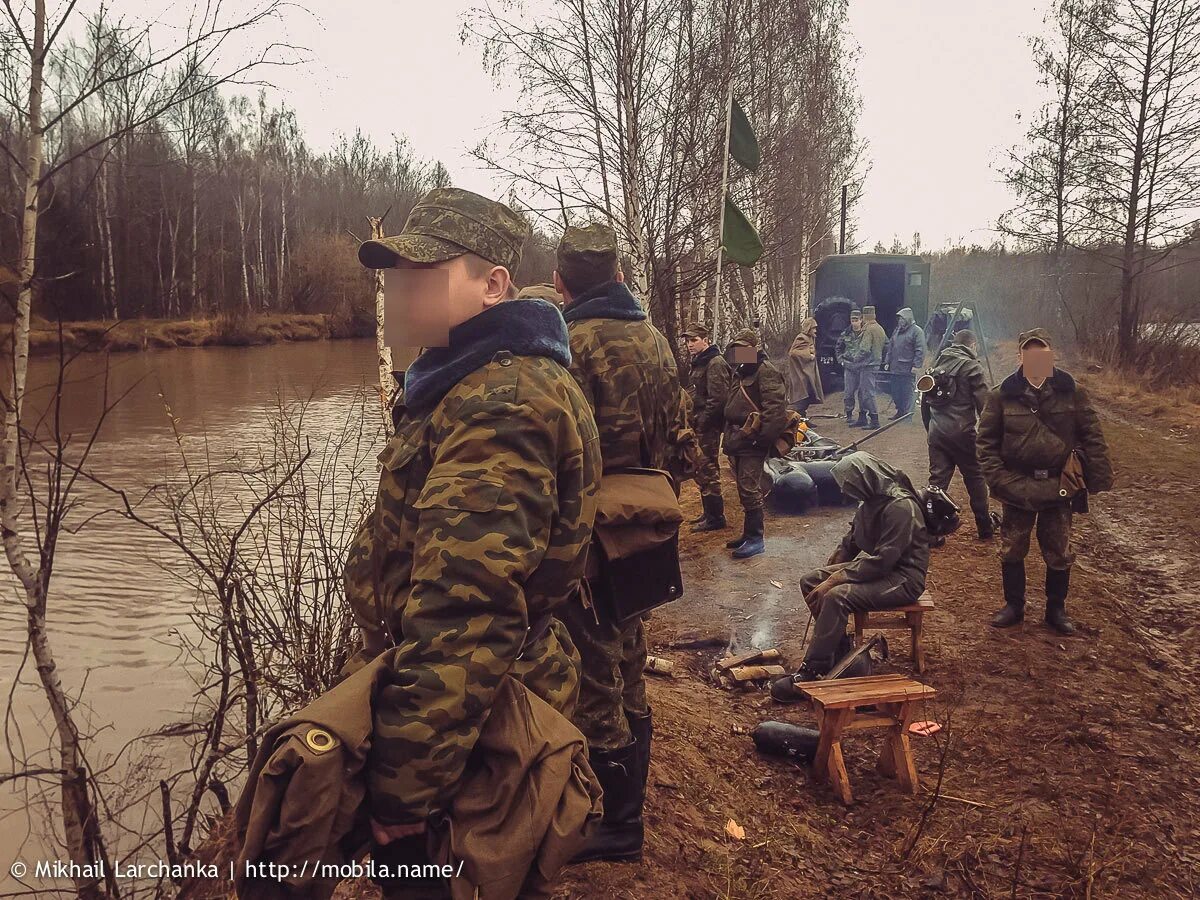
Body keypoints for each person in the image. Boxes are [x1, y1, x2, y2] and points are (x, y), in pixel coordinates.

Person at [352, 187, 602, 897]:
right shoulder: (471, 381)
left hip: (476, 733)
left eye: (424, 275)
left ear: (494, 286)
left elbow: (467, 620)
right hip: (472, 716)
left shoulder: (500, 404)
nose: (400, 291)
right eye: (395, 275)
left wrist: (403, 796)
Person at [553, 222, 682, 863]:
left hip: (593, 526)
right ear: (622, 276)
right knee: (629, 648)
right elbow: (679, 430)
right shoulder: (657, 339)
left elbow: (563, 448)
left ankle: (615, 824)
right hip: (649, 517)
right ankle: (627, 811)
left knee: (594, 662)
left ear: (559, 282)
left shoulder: (567, 343)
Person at [977, 328, 1112, 635]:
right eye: (1029, 352)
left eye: (1042, 352)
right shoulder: (1001, 395)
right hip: (1017, 486)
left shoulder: (1072, 391)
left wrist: (1098, 478)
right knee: (1011, 548)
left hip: (1058, 486)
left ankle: (1056, 610)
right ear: (1020, 357)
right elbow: (985, 443)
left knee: (1059, 551)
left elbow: (1093, 434)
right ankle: (1014, 607)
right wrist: (999, 480)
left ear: (1051, 356)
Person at [770, 452, 930, 699]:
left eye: (849, 485)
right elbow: (854, 540)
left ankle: (813, 670)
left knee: (837, 596)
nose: (845, 491)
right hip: (881, 569)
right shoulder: (870, 501)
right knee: (811, 580)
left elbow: (883, 562)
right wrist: (839, 556)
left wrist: (836, 578)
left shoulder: (900, 507)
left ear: (863, 480)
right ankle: (840, 651)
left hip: (903, 578)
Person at [722, 328, 787, 559]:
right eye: (736, 349)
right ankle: (748, 534)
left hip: (753, 440)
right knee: (742, 487)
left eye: (743, 349)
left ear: (754, 348)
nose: (739, 353)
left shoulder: (765, 371)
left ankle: (756, 538)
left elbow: (775, 410)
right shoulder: (741, 371)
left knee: (750, 488)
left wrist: (762, 440)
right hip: (738, 437)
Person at [922, 330, 993, 541]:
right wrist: (988, 437)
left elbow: (925, 407)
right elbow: (986, 408)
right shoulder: (972, 367)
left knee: (937, 483)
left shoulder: (935, 366)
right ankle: (985, 527)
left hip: (937, 433)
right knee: (975, 477)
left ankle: (931, 532)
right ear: (972, 346)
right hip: (963, 435)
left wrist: (932, 431)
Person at [682, 321, 732, 532]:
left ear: (706, 340)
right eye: (687, 341)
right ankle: (709, 513)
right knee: (701, 467)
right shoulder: (701, 361)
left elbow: (718, 399)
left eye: (694, 340)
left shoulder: (715, 363)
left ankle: (716, 517)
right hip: (700, 422)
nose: (689, 345)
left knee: (708, 467)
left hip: (708, 425)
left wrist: (702, 423)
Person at [836, 309, 879, 429]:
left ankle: (862, 416)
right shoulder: (846, 333)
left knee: (863, 394)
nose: (854, 322)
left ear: (861, 320)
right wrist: (841, 361)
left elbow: (870, 348)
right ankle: (849, 414)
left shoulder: (866, 333)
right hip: (849, 367)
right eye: (852, 320)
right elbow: (838, 348)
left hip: (862, 367)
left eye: (856, 320)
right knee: (848, 392)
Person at [885, 307, 926, 419]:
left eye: (902, 319)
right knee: (895, 392)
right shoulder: (897, 330)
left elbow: (920, 350)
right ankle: (900, 411)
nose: (900, 321)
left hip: (908, 368)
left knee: (908, 393)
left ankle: (908, 414)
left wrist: (916, 365)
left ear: (908, 318)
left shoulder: (917, 331)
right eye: (899, 319)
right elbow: (891, 346)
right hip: (895, 368)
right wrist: (887, 361)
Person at [785, 317, 824, 416]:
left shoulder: (810, 338)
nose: (815, 330)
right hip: (801, 373)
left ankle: (803, 419)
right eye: (813, 328)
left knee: (808, 395)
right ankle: (796, 419)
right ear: (808, 328)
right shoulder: (801, 337)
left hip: (808, 372)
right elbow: (793, 352)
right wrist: (809, 355)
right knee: (801, 396)